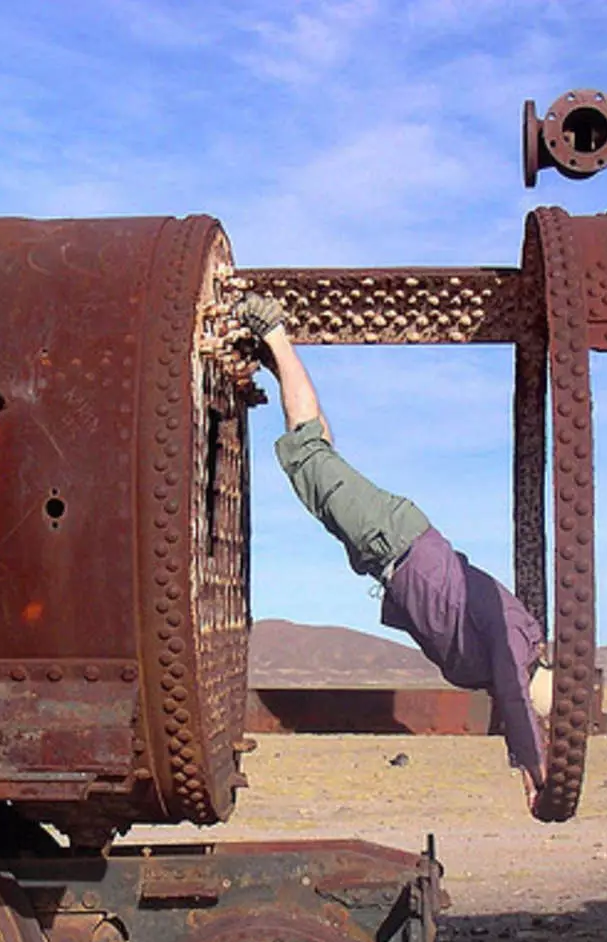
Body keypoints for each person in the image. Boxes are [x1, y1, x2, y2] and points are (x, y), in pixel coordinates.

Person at [234, 294, 557, 822]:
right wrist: (535, 770)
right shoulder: (515, 644)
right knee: (310, 459)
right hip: (395, 539)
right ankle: (274, 334)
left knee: (321, 454)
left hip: (394, 545)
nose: (522, 699)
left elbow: (514, 702)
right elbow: (519, 708)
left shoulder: (512, 651)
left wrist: (531, 760)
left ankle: (280, 354)